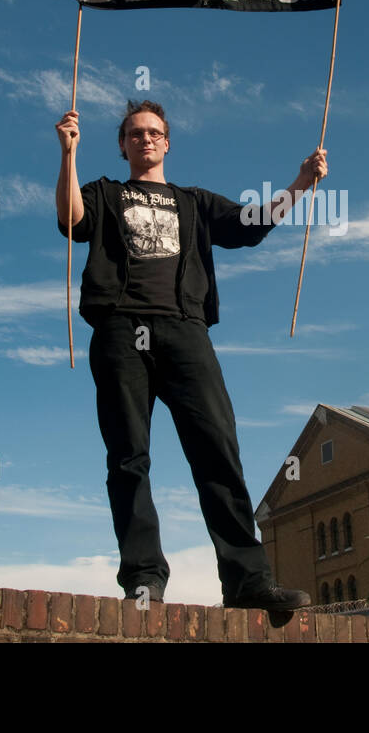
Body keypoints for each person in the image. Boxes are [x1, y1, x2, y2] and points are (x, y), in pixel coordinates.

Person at [54, 99, 326, 624]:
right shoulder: (105, 192)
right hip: (118, 329)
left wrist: (300, 183)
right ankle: (143, 579)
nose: (145, 139)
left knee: (218, 451)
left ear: (167, 142)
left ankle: (248, 582)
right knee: (128, 457)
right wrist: (68, 155)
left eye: (154, 132)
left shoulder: (194, 201)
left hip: (185, 331)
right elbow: (71, 220)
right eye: (135, 134)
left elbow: (250, 224)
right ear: (122, 144)